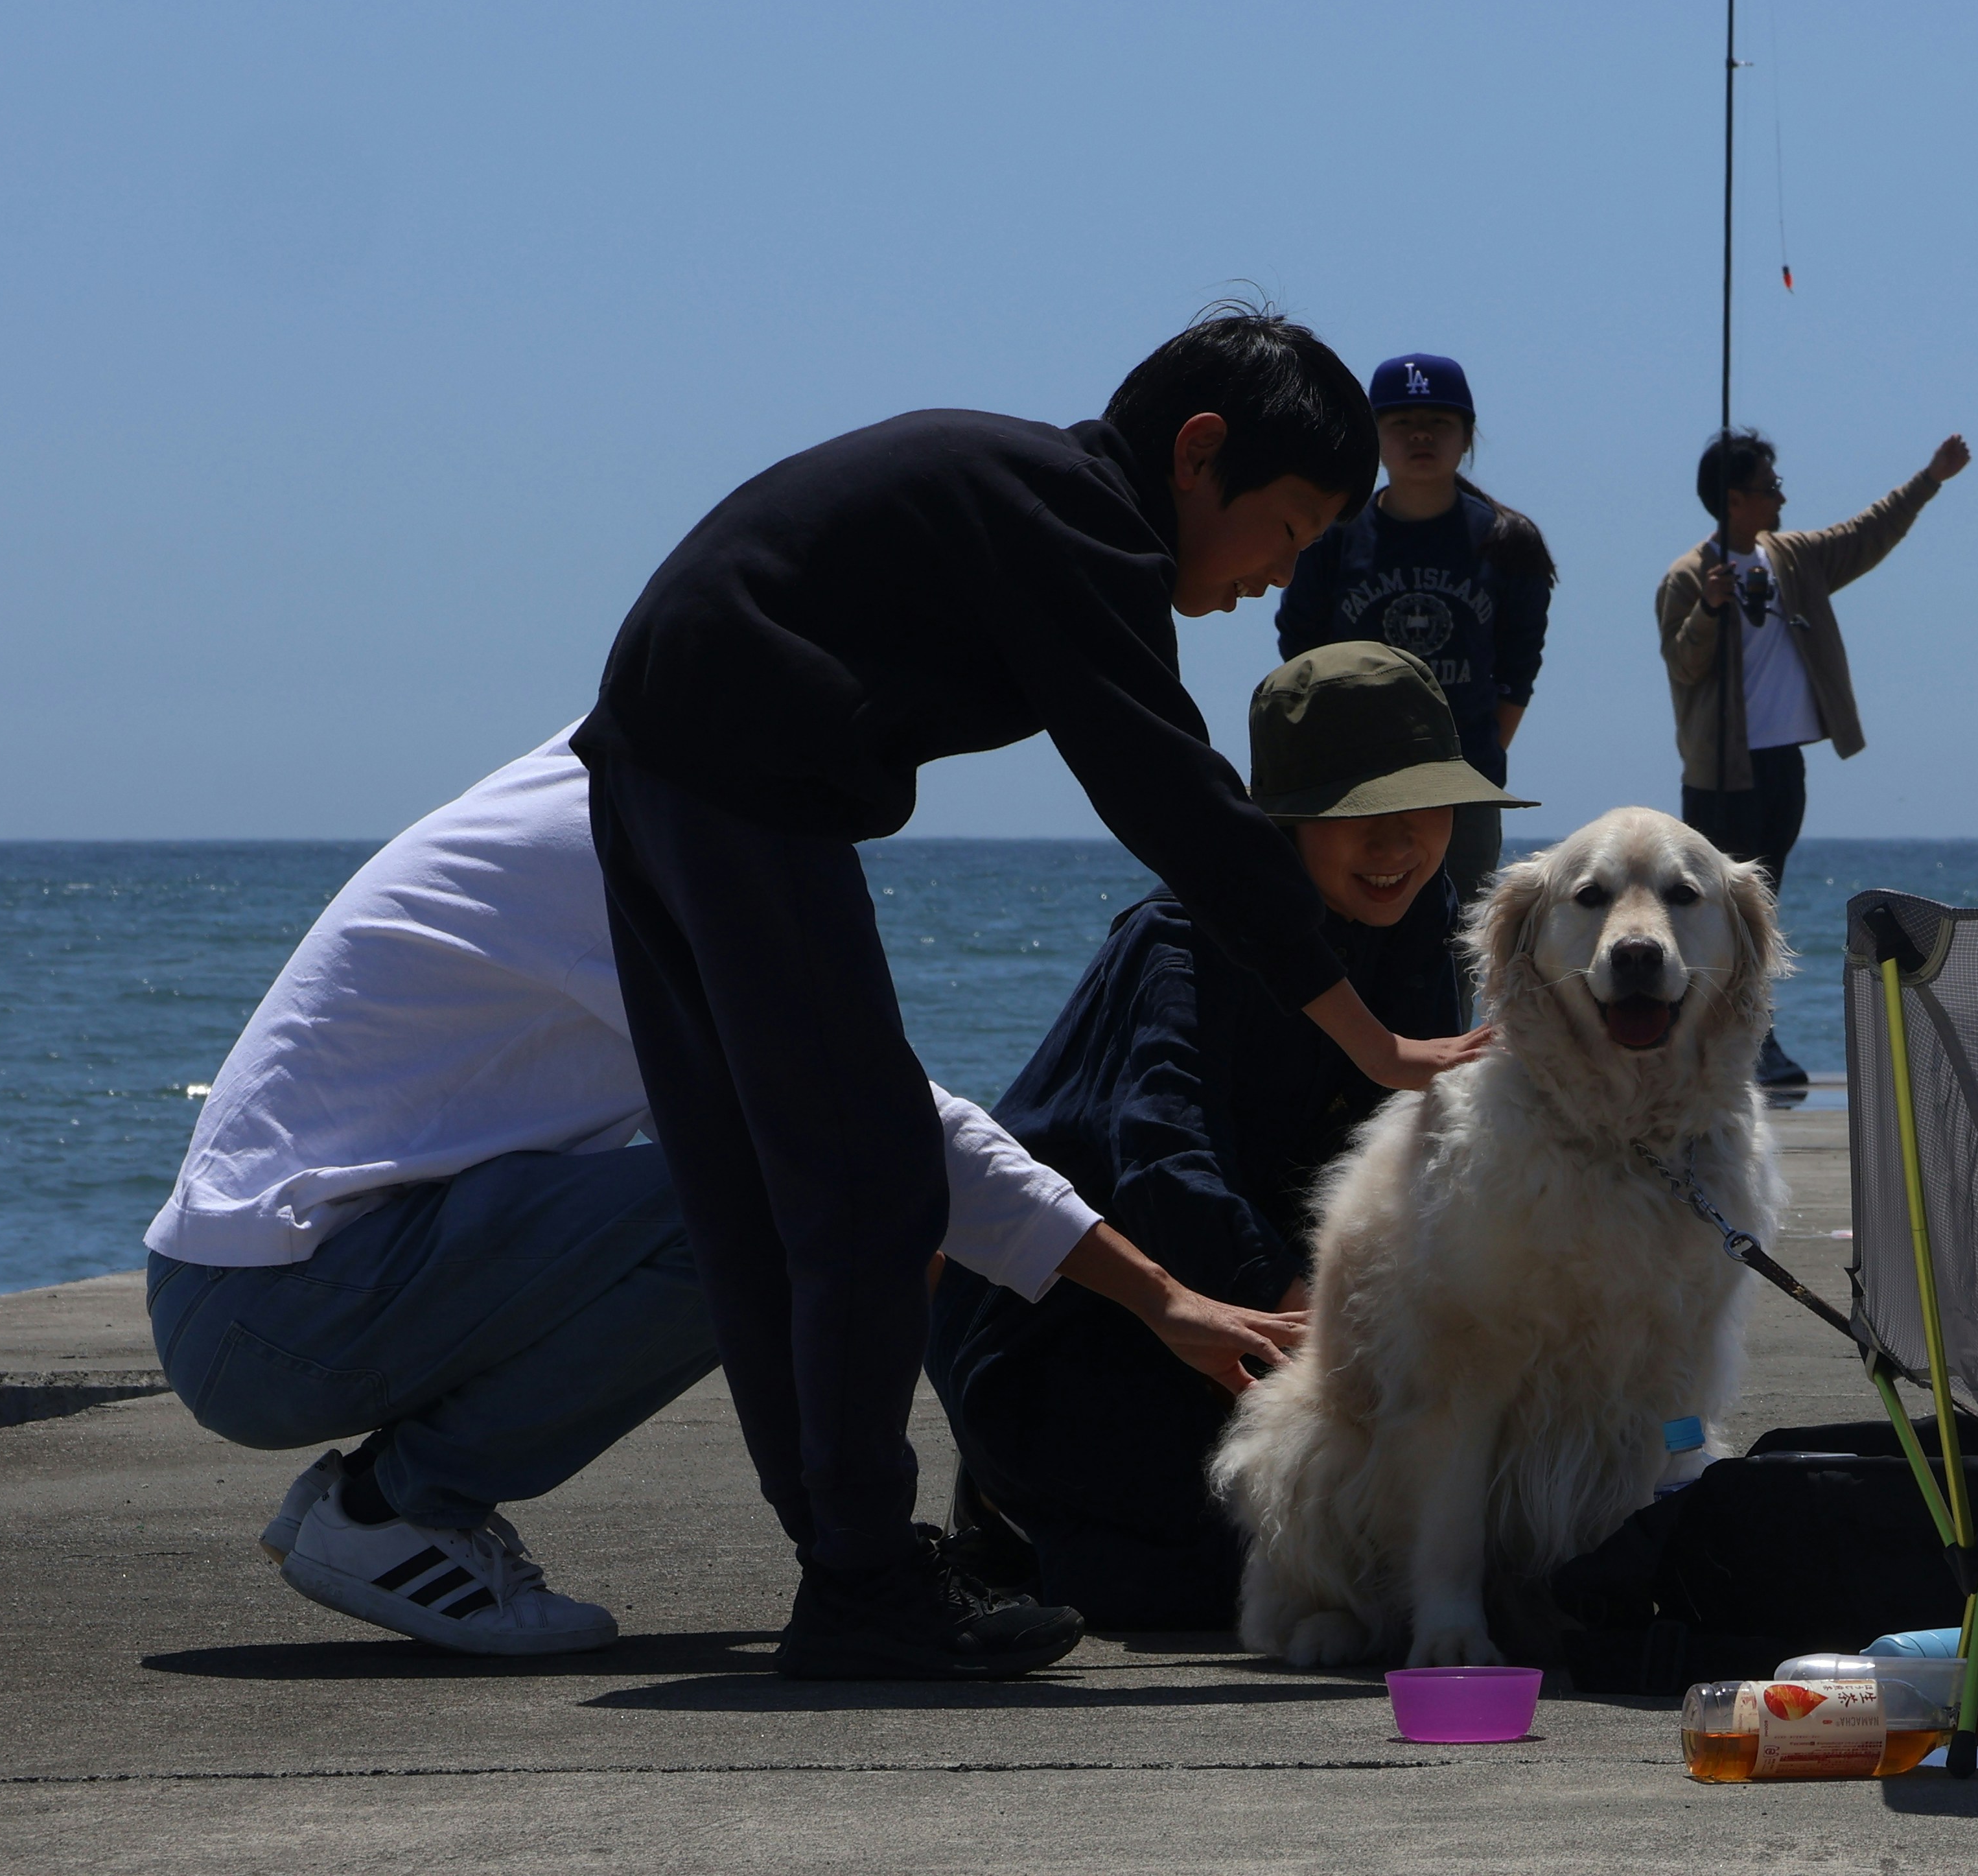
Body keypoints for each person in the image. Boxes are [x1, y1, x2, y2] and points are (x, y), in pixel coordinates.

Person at [576, 307, 1485, 1680]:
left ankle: (853, 1563)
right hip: (739, 767)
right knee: (875, 1188)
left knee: (769, 1200)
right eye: (1286, 528)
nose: (1272, 576)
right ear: (1199, 452)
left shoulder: (1031, 496)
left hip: (652, 756)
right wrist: (1367, 1030)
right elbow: (1168, 787)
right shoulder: (1082, 517)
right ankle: (866, 1576)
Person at [143, 730, 1303, 1660]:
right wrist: (1159, 1297)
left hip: (282, 1290)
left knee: (806, 1175)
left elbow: (889, 1110)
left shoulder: (629, 791)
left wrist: (1157, 1296)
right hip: (277, 1312)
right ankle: (401, 1509)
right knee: (778, 1189)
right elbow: (879, 1129)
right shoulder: (621, 843)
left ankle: (375, 1503)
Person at [927, 644, 1522, 1628]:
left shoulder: (1422, 920)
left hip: (1267, 1316)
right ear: (1285, 822)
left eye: (1423, 811)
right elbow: (1162, 1164)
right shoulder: (1178, 939)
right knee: (1224, 1585)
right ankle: (1006, 1505)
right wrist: (1331, 1333)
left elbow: (1398, 1151)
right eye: (1357, 816)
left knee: (1424, 1549)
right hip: (1075, 1327)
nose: (1396, 846)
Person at [1657, 426, 1970, 1087]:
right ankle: (1697, 1043)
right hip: (1721, 777)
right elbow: (1684, 666)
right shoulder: (1688, 577)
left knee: (1761, 912)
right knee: (1713, 915)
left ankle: (1754, 1039)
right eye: (1771, 486)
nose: (1782, 496)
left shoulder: (1791, 559)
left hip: (1781, 766)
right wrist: (1712, 608)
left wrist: (1930, 478)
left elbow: (1867, 533)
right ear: (1736, 497)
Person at [1274, 353, 1554, 920]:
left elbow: (1518, 668)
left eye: (1440, 422)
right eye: (1400, 423)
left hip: (1462, 783)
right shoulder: (1333, 536)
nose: (1420, 435)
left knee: (1456, 946)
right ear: (1373, 436)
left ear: (1467, 436)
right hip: (1350, 780)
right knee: (1346, 935)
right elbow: (1299, 647)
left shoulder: (1508, 541)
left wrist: (1476, 753)